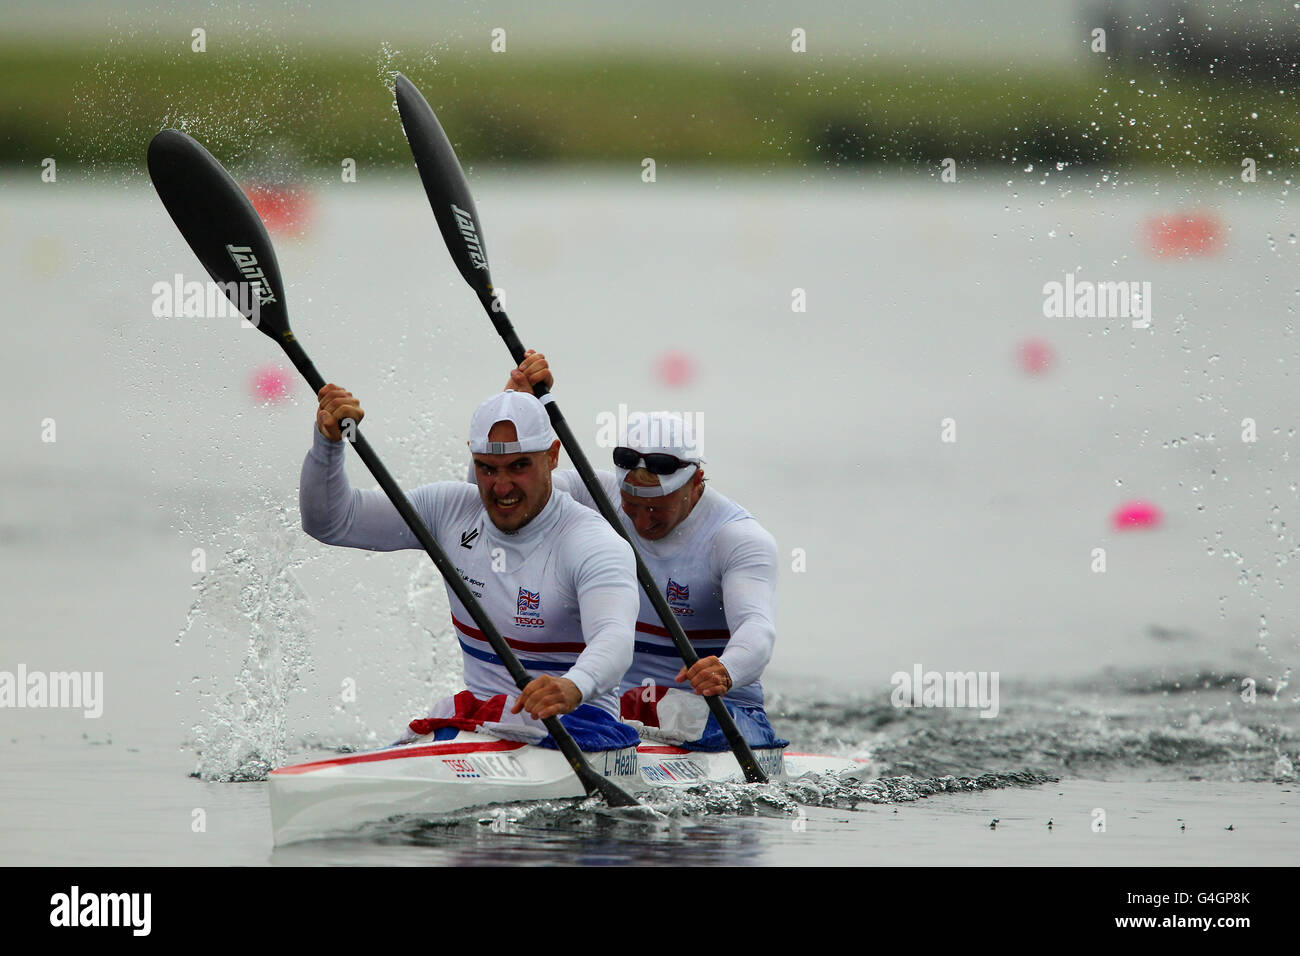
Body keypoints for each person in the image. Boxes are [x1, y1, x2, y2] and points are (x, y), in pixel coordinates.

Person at [299, 384, 640, 753]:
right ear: (472, 459)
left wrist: (573, 686)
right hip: (480, 724)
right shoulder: (448, 510)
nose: (502, 486)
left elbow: (615, 638)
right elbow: (332, 522)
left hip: (580, 727)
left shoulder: (592, 543)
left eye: (519, 466)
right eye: (487, 469)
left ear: (553, 457)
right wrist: (328, 443)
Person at [499, 351, 788, 756]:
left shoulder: (737, 539)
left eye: (657, 509)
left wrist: (726, 669)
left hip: (719, 717)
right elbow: (502, 502)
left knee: (676, 711)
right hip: (623, 712)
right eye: (631, 506)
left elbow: (758, 631)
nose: (641, 521)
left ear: (697, 482)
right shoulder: (596, 494)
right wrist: (516, 407)